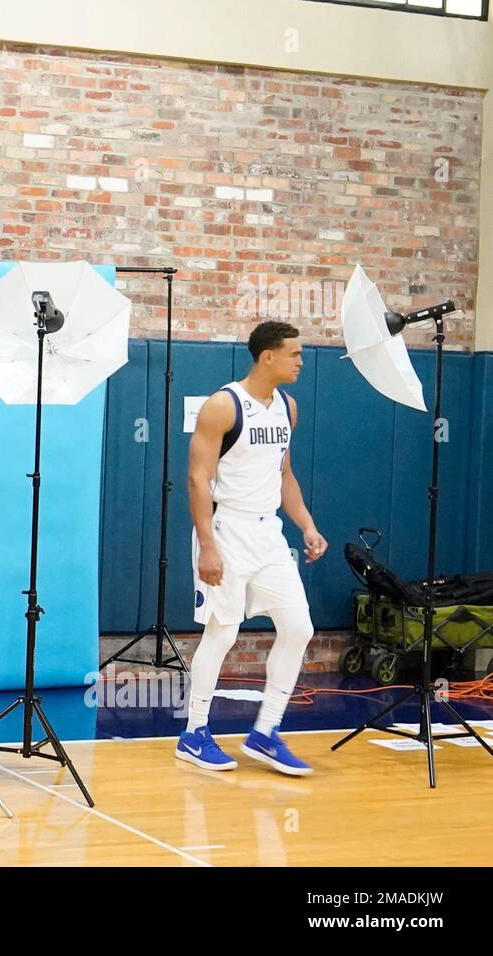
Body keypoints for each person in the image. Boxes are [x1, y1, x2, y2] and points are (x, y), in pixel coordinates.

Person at [176, 320, 327, 776]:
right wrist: (207, 546)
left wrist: (307, 525)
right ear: (268, 357)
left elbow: (284, 476)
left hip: (269, 534)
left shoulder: (288, 407)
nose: (301, 361)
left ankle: (265, 733)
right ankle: (194, 734)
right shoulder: (223, 405)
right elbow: (197, 478)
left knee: (299, 627)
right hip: (226, 530)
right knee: (222, 633)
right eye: (295, 354)